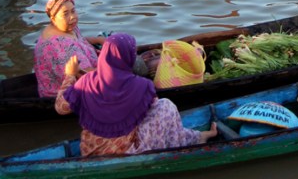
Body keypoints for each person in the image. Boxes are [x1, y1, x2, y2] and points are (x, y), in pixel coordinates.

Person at [55, 32, 217, 157]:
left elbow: (61, 108)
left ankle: (192, 137)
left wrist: (70, 75)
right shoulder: (142, 85)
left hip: (89, 151)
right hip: (124, 152)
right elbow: (155, 115)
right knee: (165, 107)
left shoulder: (85, 82)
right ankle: (190, 140)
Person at [34, 0, 102, 98]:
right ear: (53, 18)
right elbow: (84, 76)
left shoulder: (67, 27)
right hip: (65, 95)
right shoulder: (61, 45)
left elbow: (80, 40)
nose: (72, 17)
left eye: (73, 11)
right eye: (65, 14)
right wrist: (114, 68)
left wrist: (97, 40)